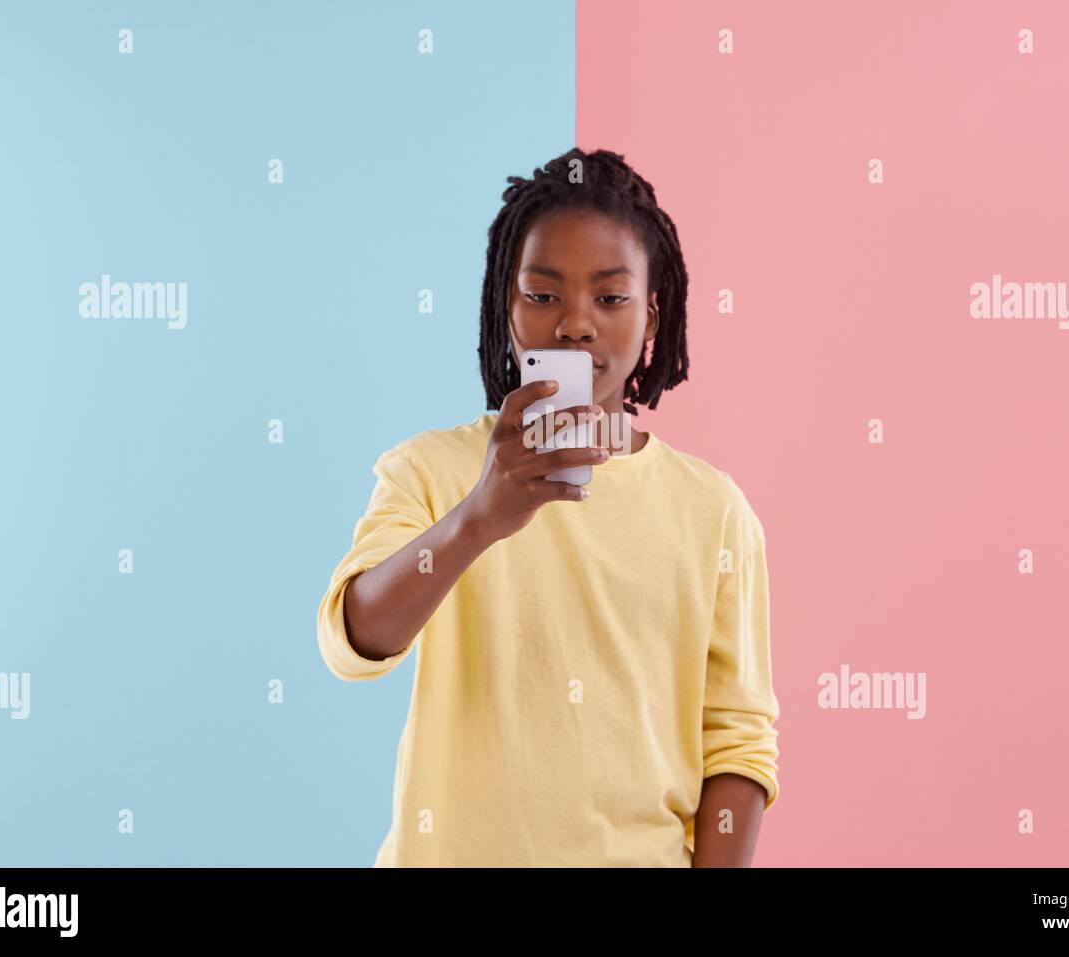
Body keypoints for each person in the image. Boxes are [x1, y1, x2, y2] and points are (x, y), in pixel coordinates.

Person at [316, 147, 779, 866]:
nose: (575, 324)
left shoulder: (712, 510)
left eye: (610, 296)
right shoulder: (431, 470)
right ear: (507, 309)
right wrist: (477, 518)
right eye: (542, 294)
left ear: (652, 317)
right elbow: (354, 639)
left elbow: (738, 741)